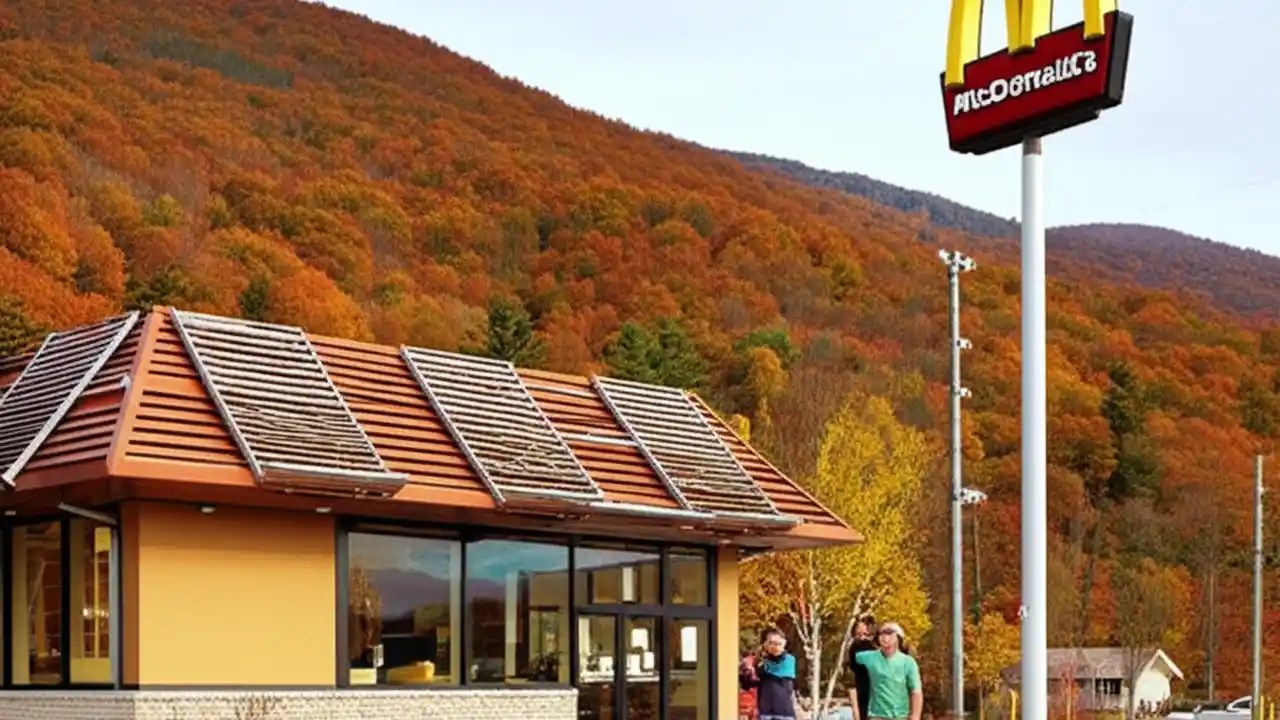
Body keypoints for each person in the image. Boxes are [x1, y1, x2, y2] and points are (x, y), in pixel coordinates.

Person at [852, 621, 922, 720]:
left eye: (889, 632)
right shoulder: (869, 657)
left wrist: (915, 716)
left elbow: (916, 691)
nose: (884, 636)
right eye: (881, 633)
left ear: (898, 637)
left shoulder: (908, 663)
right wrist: (859, 635)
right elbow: (850, 657)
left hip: (900, 716)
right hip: (876, 716)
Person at [741, 628, 797, 720]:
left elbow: (776, 667)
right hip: (765, 713)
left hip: (785, 713)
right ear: (766, 644)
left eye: (777, 642)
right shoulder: (762, 662)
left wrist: (756, 667)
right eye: (770, 642)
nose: (774, 646)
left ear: (784, 643)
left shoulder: (789, 659)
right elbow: (749, 684)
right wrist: (746, 671)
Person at [848, 615, 877, 720]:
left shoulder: (874, 649)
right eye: (859, 634)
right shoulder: (855, 649)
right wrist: (856, 712)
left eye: (865, 634)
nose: (863, 638)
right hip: (863, 699)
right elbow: (851, 685)